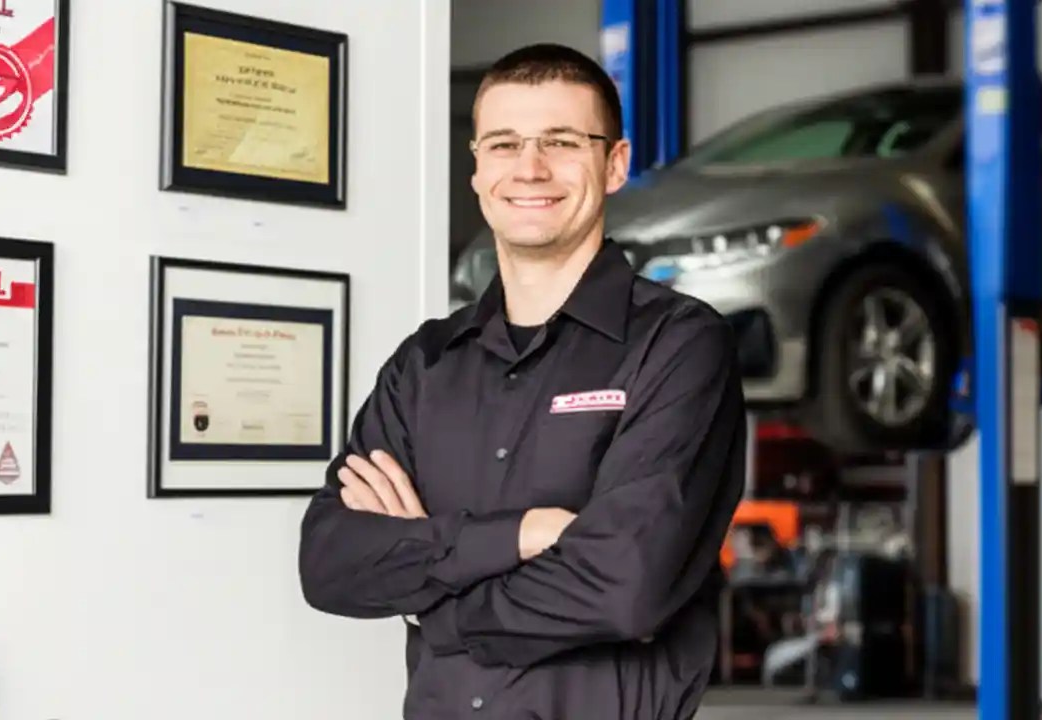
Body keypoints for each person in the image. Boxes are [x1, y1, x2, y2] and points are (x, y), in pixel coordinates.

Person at [298, 42, 747, 720]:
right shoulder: (425, 365)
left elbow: (625, 583)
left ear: (614, 163)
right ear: (477, 168)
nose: (530, 169)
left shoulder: (680, 347)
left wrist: (435, 606)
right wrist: (523, 534)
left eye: (562, 142)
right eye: (504, 145)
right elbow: (331, 562)